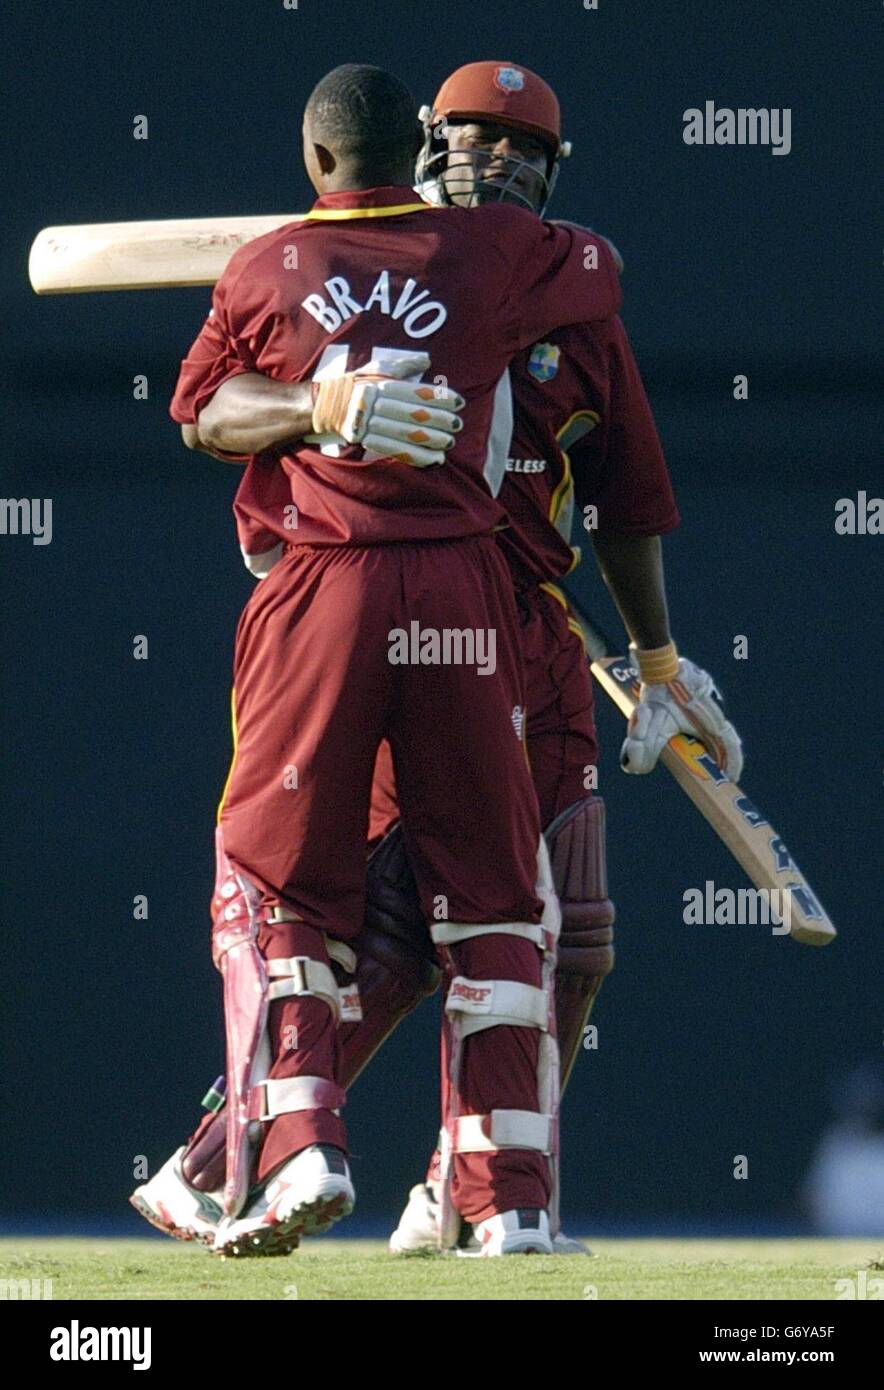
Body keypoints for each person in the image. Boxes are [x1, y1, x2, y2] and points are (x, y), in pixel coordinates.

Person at [132, 62, 623, 1259]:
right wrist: (328, 392)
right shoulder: (499, 258)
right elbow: (603, 262)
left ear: (312, 161)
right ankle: (450, 1188)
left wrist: (314, 386)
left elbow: (199, 414)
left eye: (520, 148)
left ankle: (345, 1159)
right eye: (472, 140)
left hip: (376, 600)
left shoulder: (273, 267)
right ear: (423, 144)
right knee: (456, 907)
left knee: (311, 894)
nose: (497, 164)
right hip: (446, 601)